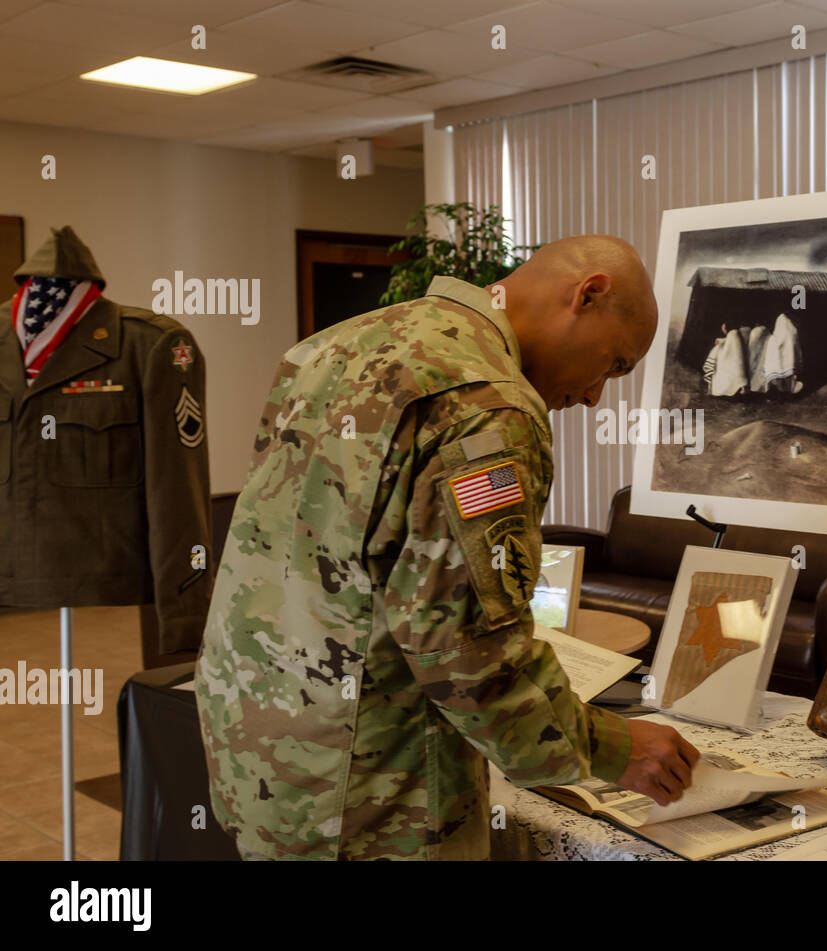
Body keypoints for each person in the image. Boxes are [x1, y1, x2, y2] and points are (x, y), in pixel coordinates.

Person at [194, 234, 699, 861]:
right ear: (587, 295)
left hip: (260, 743)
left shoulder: (333, 345)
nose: (597, 395)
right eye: (615, 364)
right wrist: (612, 747)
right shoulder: (487, 407)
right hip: (373, 790)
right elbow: (465, 649)